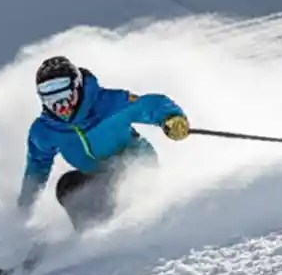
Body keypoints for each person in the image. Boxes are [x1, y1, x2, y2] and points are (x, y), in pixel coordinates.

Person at [18, 56, 189, 223]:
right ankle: (90, 235)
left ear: (77, 87)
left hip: (134, 164)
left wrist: (171, 118)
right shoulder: (45, 130)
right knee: (68, 187)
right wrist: (25, 206)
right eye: (51, 101)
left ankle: (139, 221)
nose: (61, 107)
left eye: (66, 97)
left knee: (121, 180)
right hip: (97, 177)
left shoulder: (108, 104)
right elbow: (37, 167)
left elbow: (151, 104)